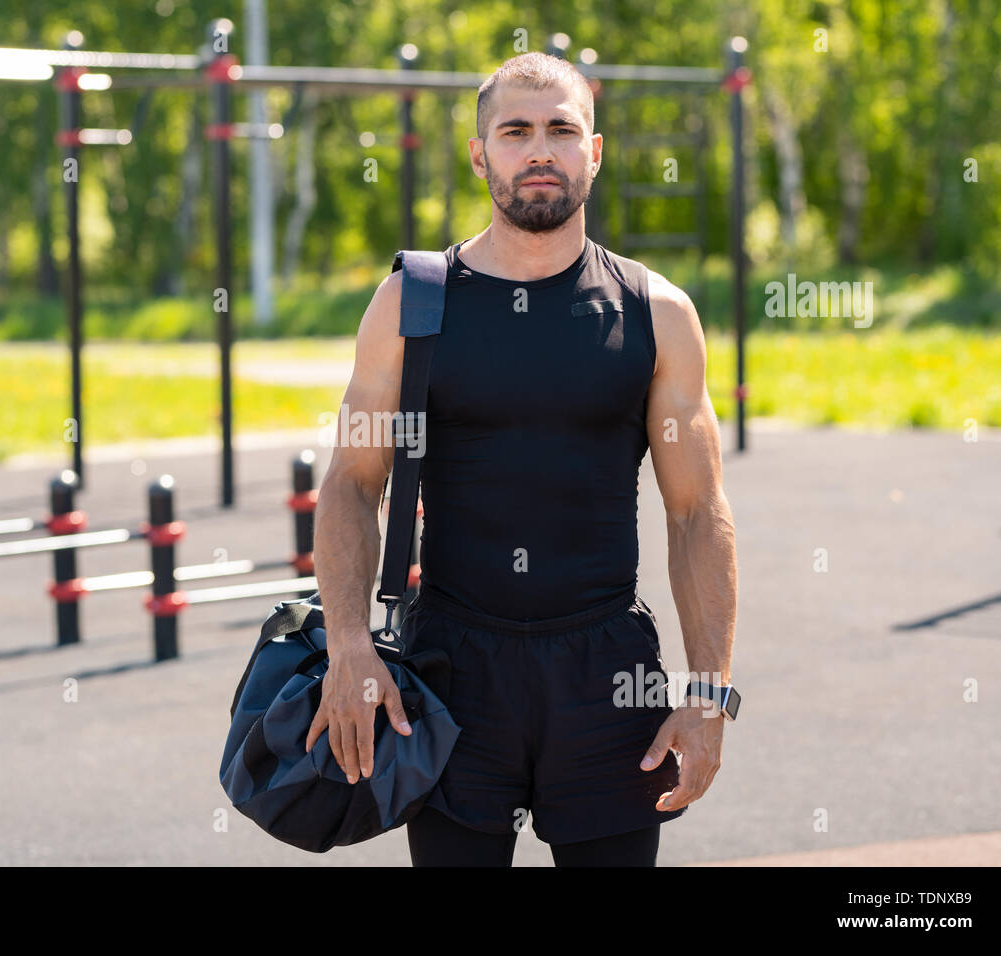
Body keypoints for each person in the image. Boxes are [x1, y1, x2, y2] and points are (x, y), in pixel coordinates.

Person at [308, 52, 738, 867]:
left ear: (595, 152)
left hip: (607, 671)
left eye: (560, 131)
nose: (539, 151)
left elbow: (697, 512)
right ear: (480, 155)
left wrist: (710, 693)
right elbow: (353, 486)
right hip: (453, 668)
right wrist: (351, 647)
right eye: (515, 132)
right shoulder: (412, 302)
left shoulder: (656, 313)